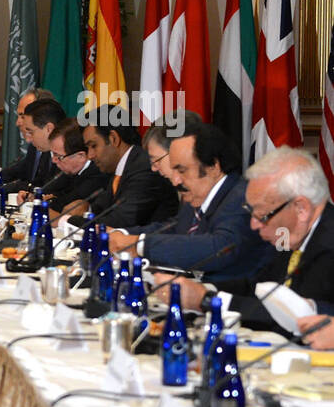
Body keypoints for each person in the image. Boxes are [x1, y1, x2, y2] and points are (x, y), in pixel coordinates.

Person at [159, 147, 334, 336]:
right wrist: (200, 289)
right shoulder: (289, 234)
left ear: (301, 209)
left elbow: (294, 318)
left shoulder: (328, 243)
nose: (253, 225)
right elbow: (257, 286)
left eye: (262, 215)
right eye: (251, 213)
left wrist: (207, 300)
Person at [107, 116, 265, 280]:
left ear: (213, 167)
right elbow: (176, 228)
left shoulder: (242, 196)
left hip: (232, 300)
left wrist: (139, 245)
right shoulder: (195, 196)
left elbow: (218, 247)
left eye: (182, 171)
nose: (176, 180)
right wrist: (121, 234)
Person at [63, 106, 178, 228]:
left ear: (113, 138)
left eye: (94, 146)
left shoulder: (145, 167)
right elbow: (103, 207)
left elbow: (120, 221)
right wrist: (86, 207)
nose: (90, 155)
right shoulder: (120, 167)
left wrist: (65, 220)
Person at [42, 120, 104, 217]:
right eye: (52, 154)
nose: (53, 160)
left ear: (81, 156)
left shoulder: (98, 174)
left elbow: (64, 205)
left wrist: (50, 200)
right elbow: (48, 189)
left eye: (58, 156)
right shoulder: (69, 168)